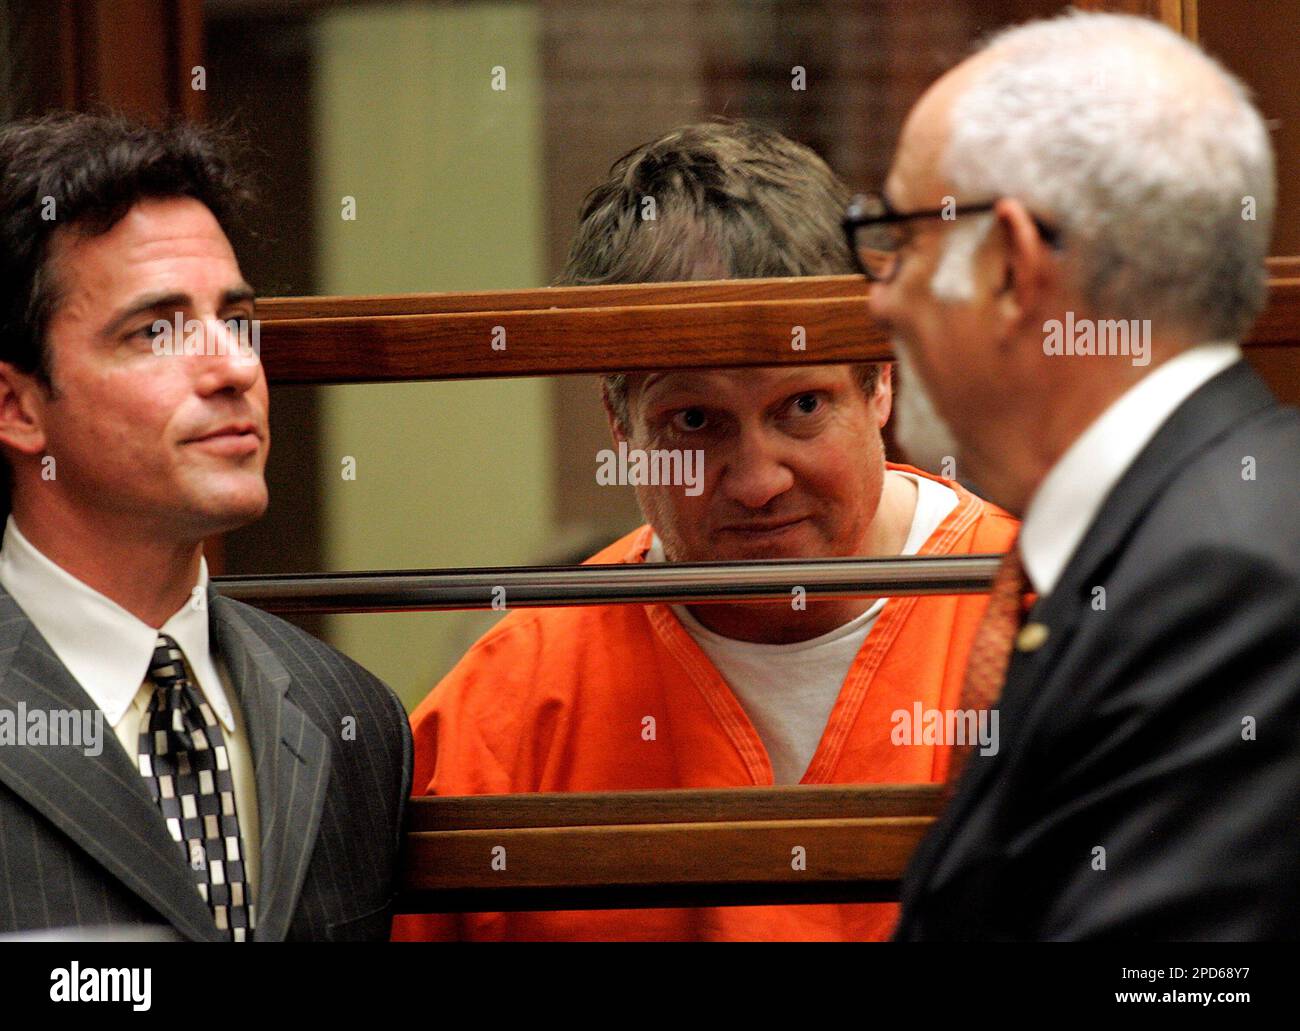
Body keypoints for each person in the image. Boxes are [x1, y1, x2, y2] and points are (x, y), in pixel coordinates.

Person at [393, 121, 1018, 942]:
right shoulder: (517, 701)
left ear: (880, 386)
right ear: (622, 430)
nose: (758, 481)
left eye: (801, 406)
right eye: (695, 420)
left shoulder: (1040, 610)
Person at [859, 11, 1300, 939]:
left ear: (1014, 270)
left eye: (903, 238)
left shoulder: (1222, 580)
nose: (879, 293)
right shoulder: (1180, 523)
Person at [0, 114, 412, 941]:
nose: (232, 367)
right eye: (156, 330)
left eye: (237, 319)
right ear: (17, 406)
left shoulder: (352, 719)